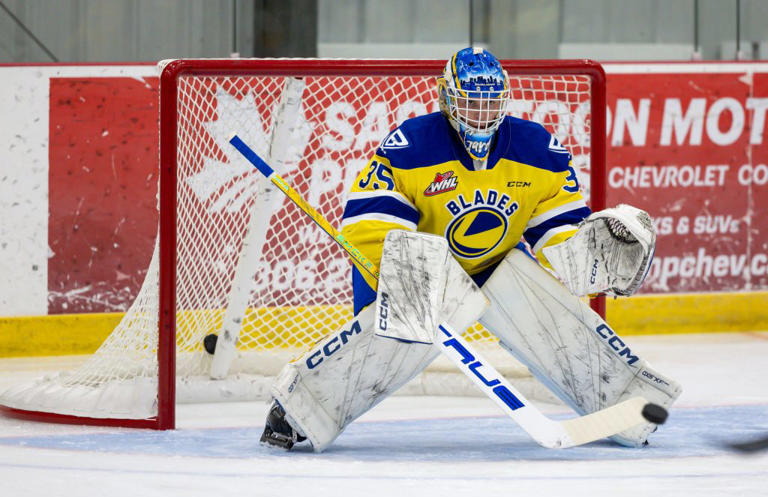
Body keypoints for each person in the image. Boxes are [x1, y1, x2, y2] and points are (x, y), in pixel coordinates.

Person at [260, 47, 670, 451]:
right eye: (470, 103)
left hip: (493, 264)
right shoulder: (412, 145)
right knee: (394, 339)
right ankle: (296, 412)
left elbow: (557, 228)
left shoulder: (537, 150)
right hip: (421, 268)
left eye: (490, 103)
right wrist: (405, 273)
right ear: (446, 97)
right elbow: (370, 221)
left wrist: (587, 255)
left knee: (550, 319)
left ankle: (632, 406)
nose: (480, 114)